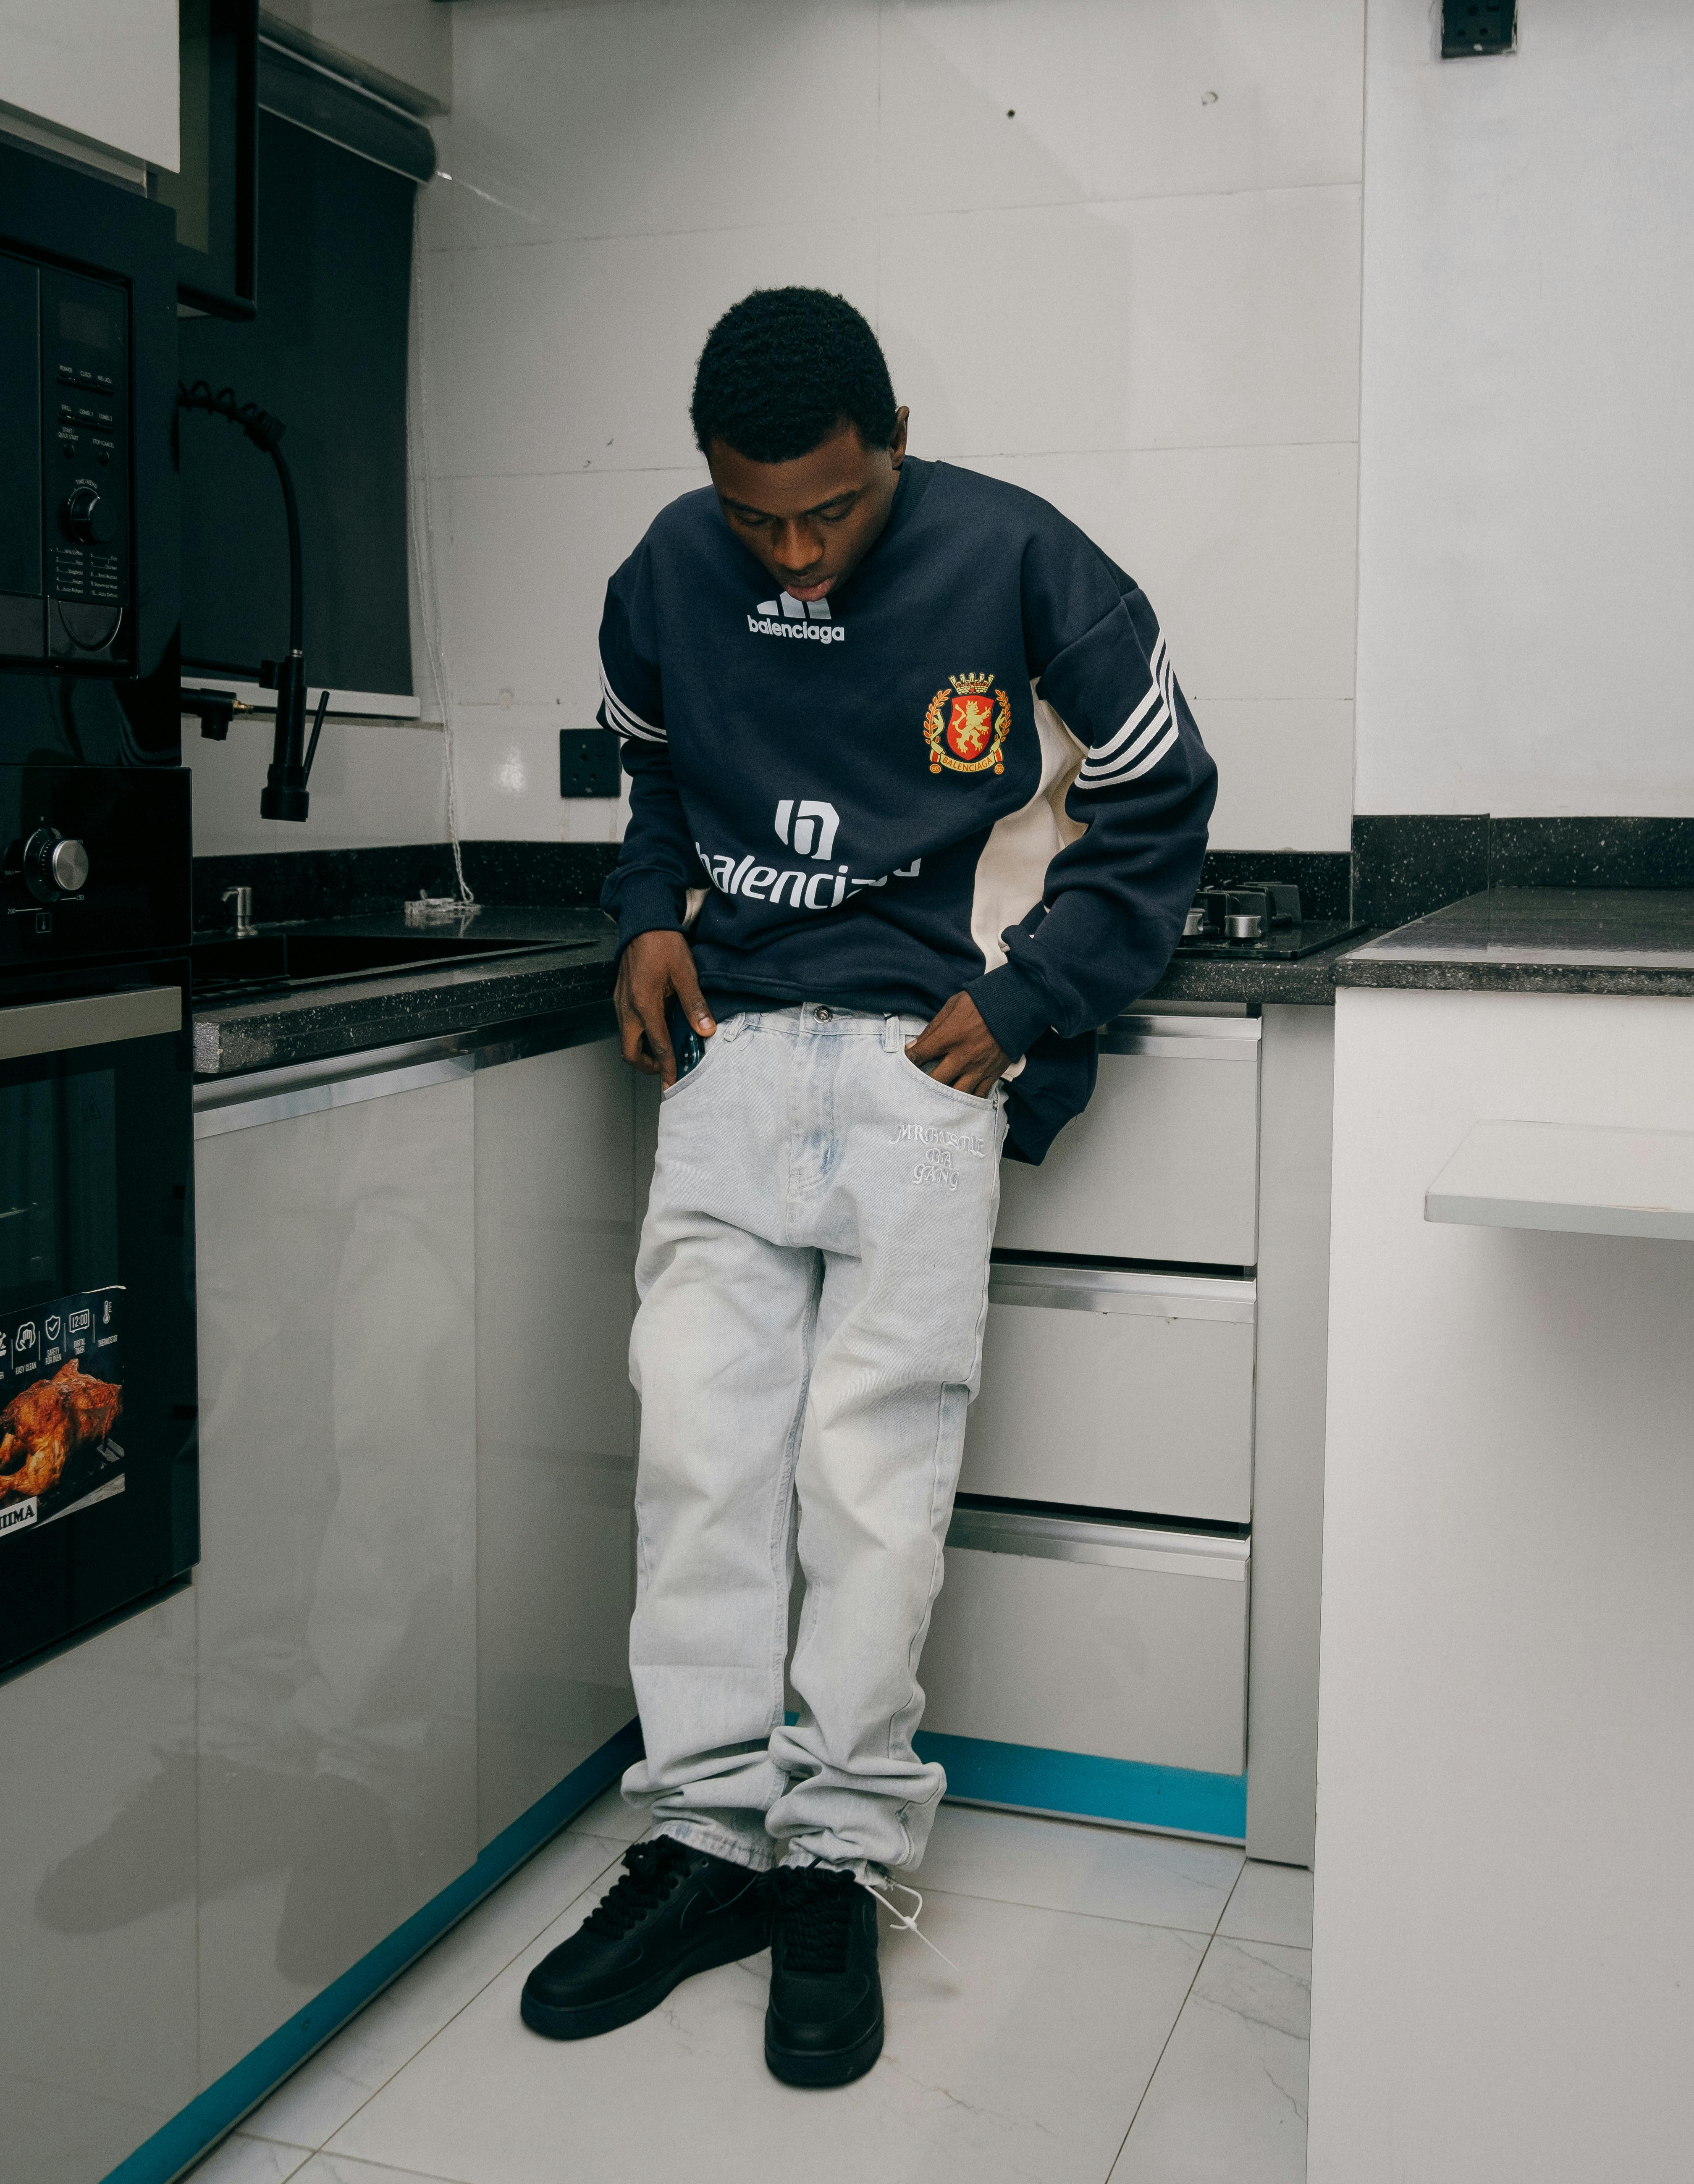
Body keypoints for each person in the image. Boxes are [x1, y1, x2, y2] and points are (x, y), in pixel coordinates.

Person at [520, 287, 1215, 2087]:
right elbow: (650, 773)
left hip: (920, 1068)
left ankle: (836, 1852)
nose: (796, 551)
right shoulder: (662, 572)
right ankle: (701, 1839)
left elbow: (1162, 794)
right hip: (725, 1062)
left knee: (870, 1481)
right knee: (699, 1465)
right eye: (755, 516)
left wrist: (1033, 993)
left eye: (830, 508)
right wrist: (647, 914)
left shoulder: (1025, 559)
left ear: (895, 436)